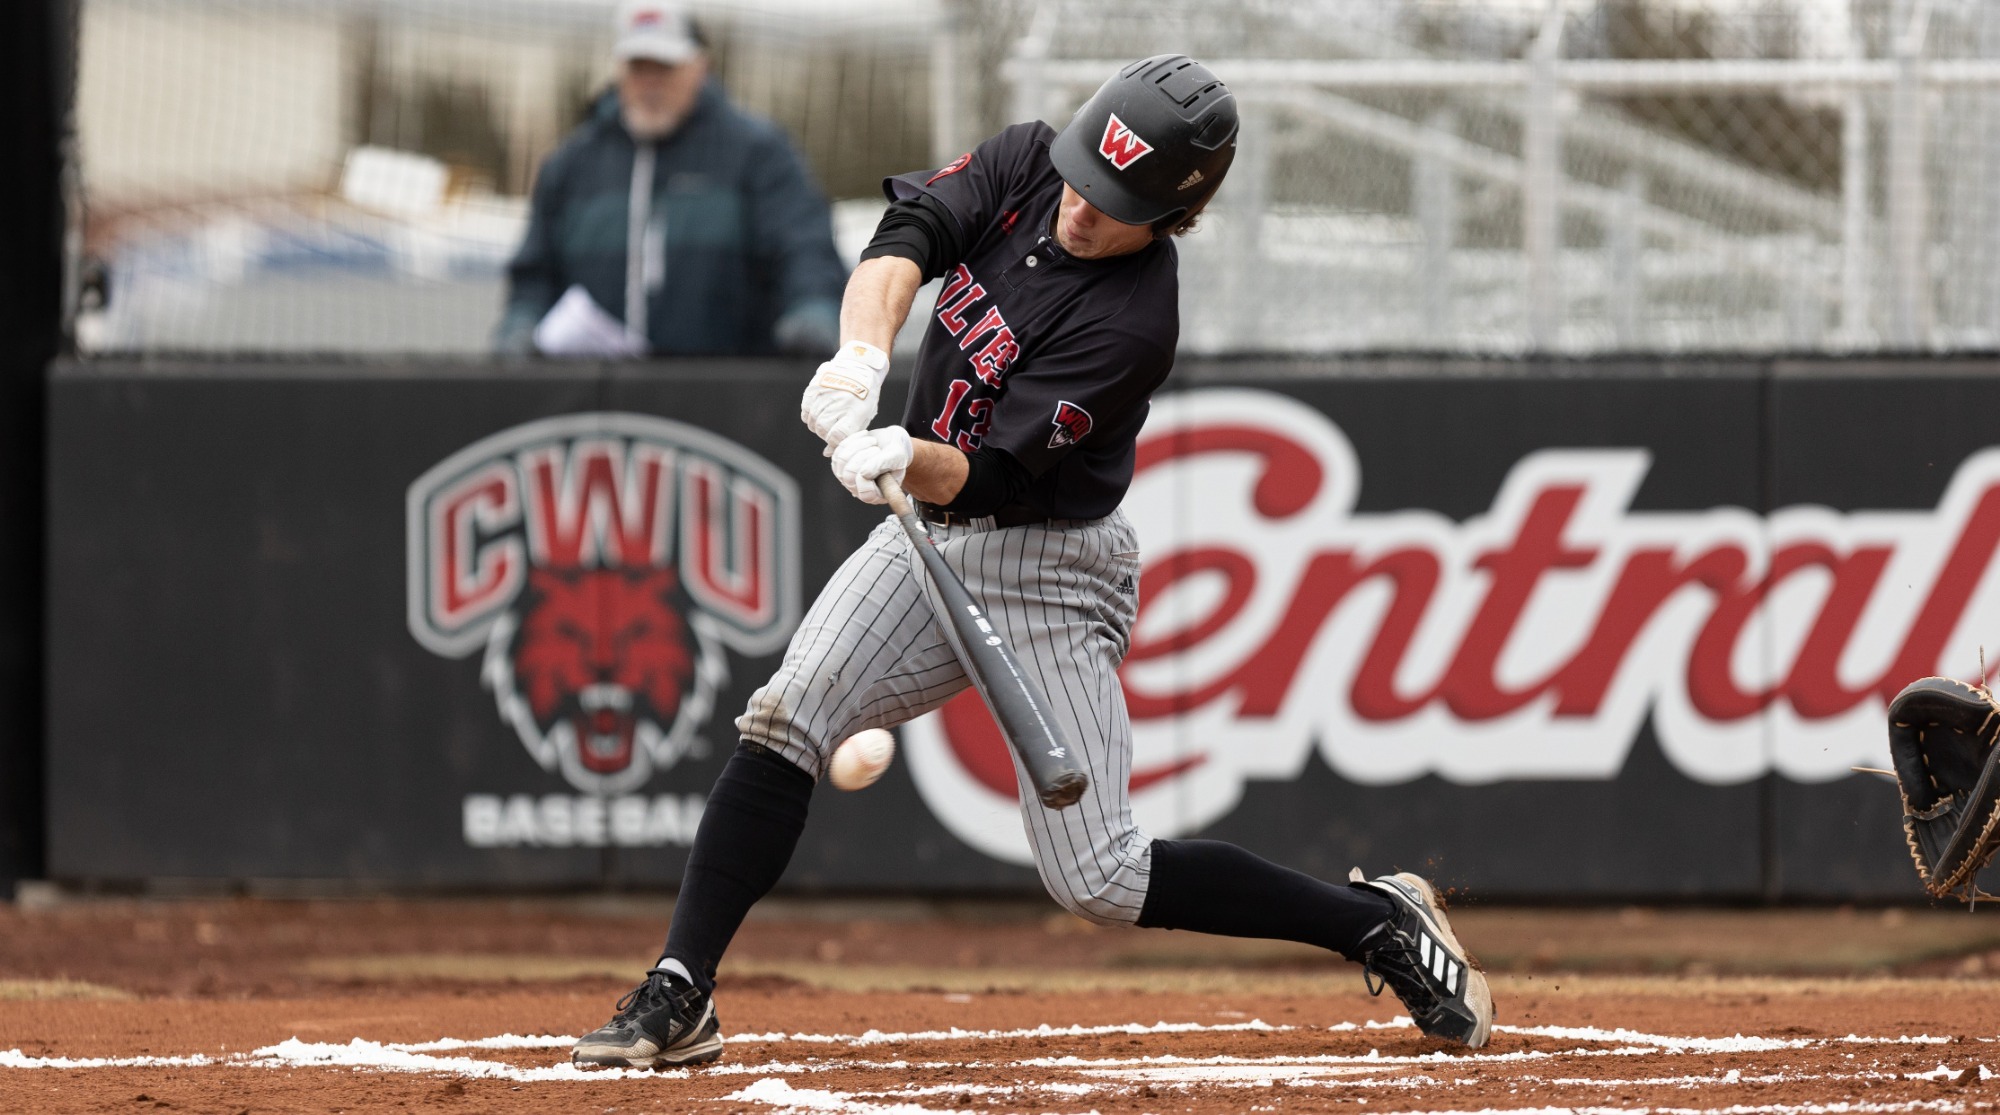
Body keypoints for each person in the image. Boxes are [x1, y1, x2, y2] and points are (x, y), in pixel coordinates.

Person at [570, 55, 1495, 1070]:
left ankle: (1372, 920)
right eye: (1081, 180)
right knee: (789, 712)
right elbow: (905, 240)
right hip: (927, 545)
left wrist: (899, 454)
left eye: (1115, 204)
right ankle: (681, 986)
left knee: (1096, 875)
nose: (1080, 211)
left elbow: (993, 474)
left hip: (1048, 561)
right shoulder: (1022, 163)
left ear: (1171, 215)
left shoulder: (1132, 321)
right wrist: (861, 356)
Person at [494, 0, 845, 357]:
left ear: (699, 67)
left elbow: (805, 248)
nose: (650, 82)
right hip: (595, 393)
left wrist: (813, 309)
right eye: (638, 67)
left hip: (727, 391)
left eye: (664, 66)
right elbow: (534, 273)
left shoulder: (758, 152)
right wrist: (521, 325)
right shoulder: (572, 163)